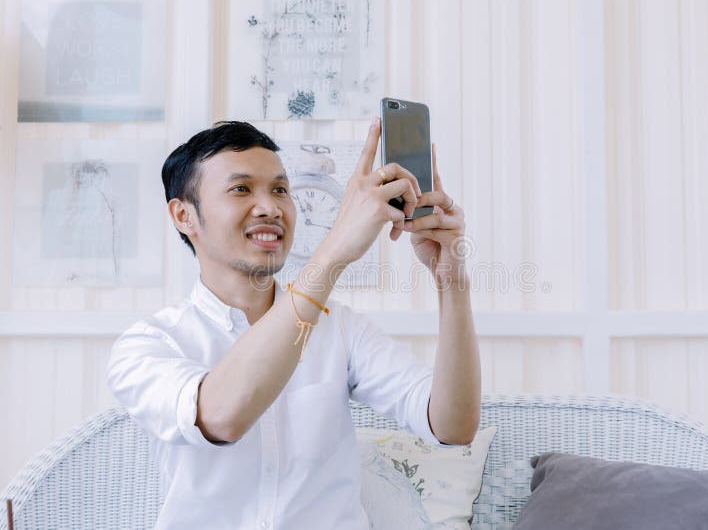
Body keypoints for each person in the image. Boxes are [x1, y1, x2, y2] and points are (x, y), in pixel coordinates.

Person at [106, 118, 481, 529]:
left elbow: (452, 425)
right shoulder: (150, 344)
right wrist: (335, 249)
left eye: (280, 190)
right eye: (241, 189)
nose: (271, 207)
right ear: (183, 215)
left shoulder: (339, 327)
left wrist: (451, 282)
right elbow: (221, 416)